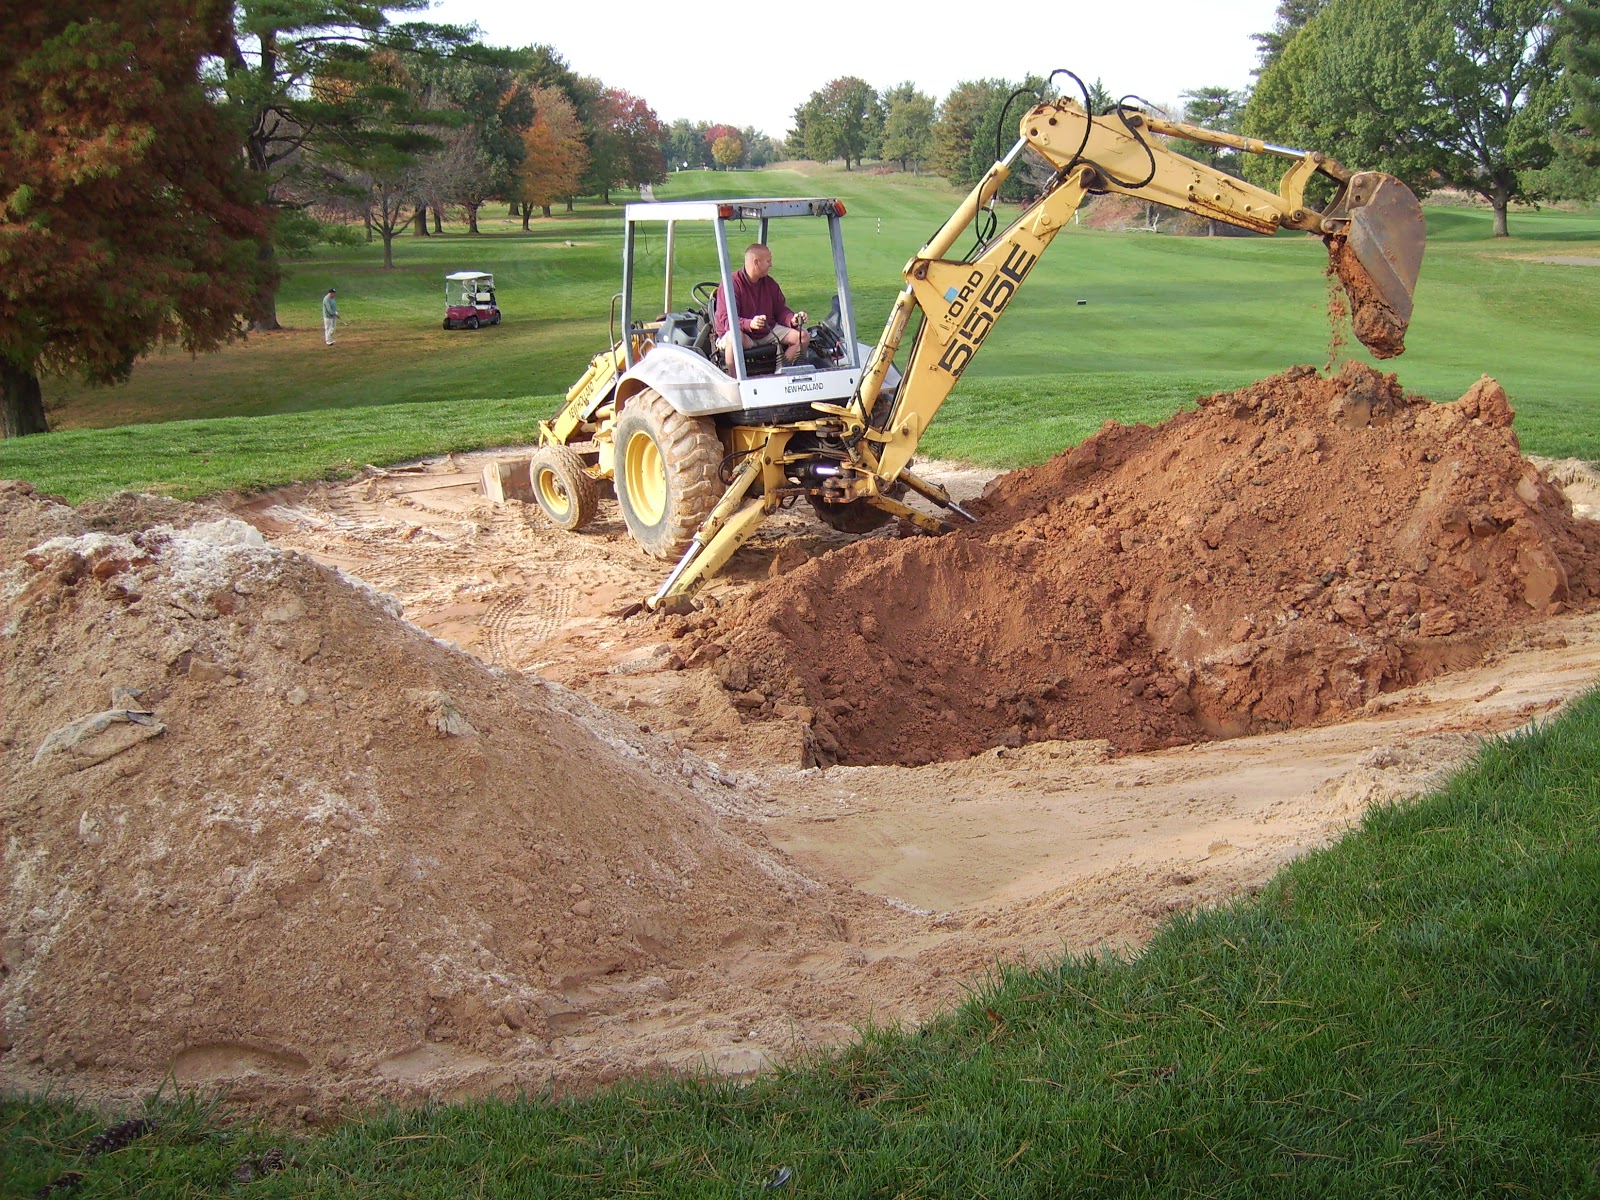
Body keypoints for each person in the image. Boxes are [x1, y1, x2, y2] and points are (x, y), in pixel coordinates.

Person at [713, 244, 809, 369]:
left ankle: (780, 375)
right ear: (756, 262)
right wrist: (750, 324)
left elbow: (781, 310)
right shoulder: (731, 284)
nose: (771, 265)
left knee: (803, 336)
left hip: (766, 331)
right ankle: (736, 383)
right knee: (733, 337)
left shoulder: (770, 284)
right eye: (768, 261)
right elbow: (726, 321)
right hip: (743, 335)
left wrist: (792, 319)